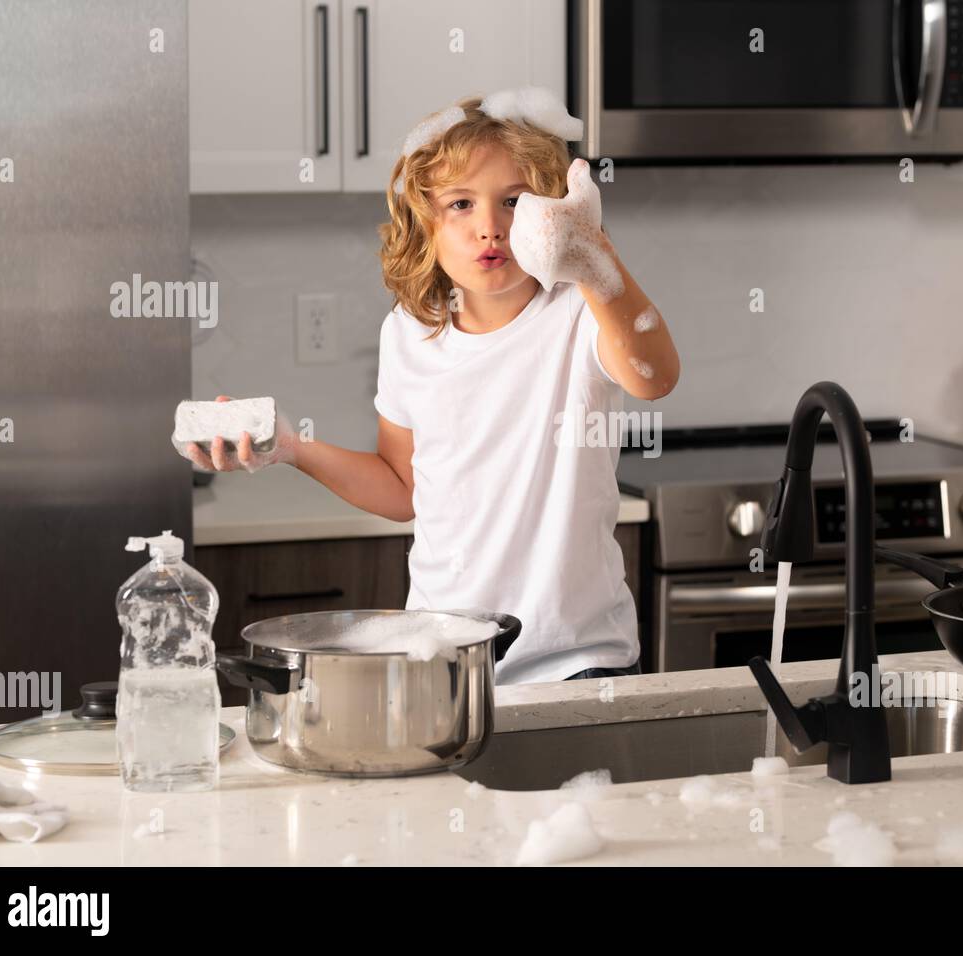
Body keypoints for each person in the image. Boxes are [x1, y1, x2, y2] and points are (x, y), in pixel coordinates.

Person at [178, 88, 680, 684]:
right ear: (426, 225)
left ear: (552, 212)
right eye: (461, 204)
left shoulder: (578, 312)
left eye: (514, 202)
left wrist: (596, 260)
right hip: (444, 660)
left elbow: (655, 377)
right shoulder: (409, 334)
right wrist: (292, 447)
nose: (489, 227)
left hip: (578, 661)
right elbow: (403, 487)